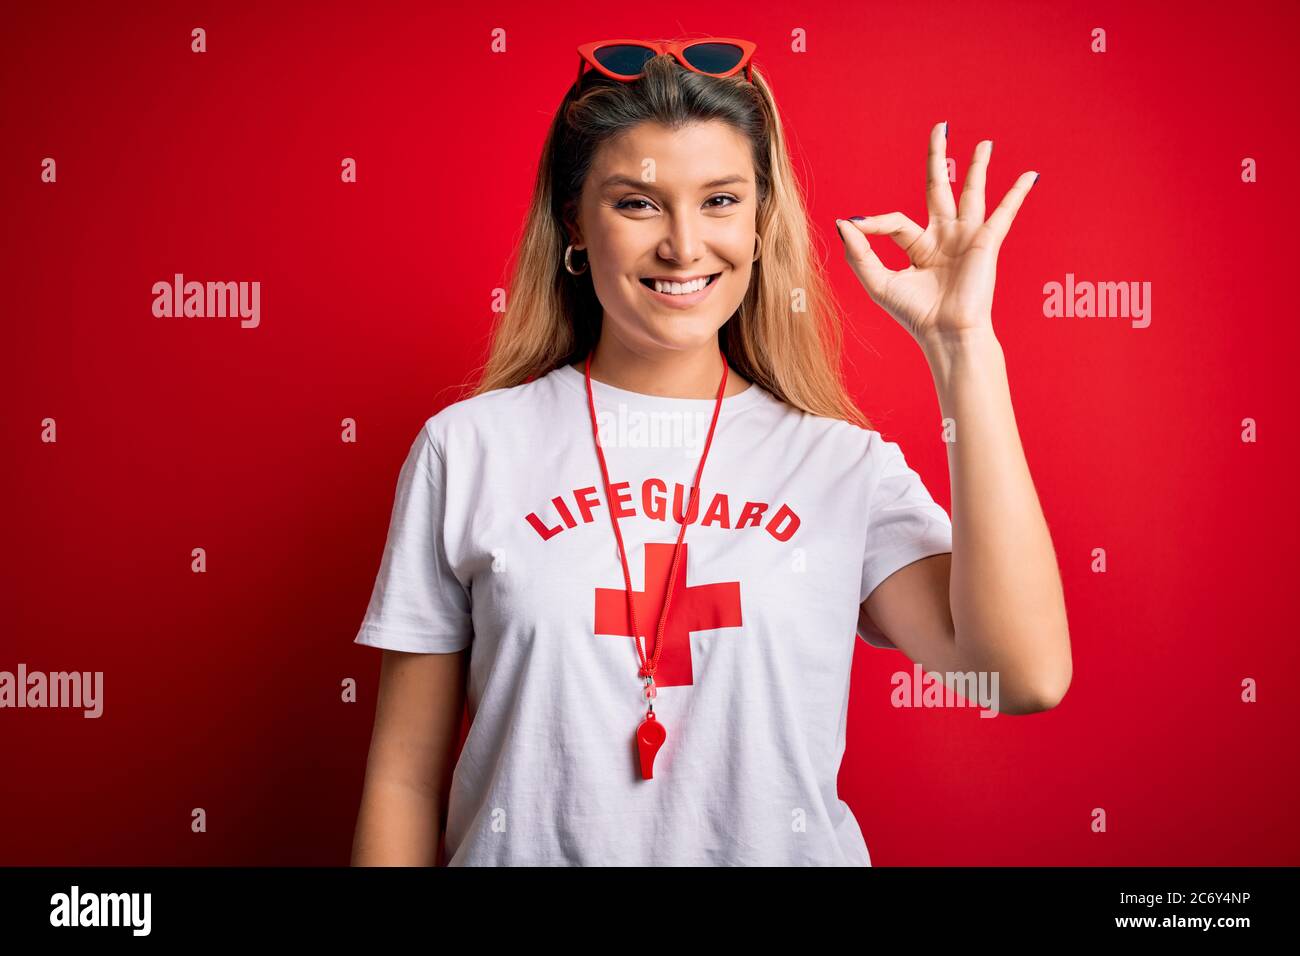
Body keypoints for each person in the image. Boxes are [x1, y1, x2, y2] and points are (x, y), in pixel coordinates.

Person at [349, 38, 1072, 866]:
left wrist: (963, 346)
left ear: (763, 226)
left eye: (721, 201)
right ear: (575, 227)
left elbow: (1023, 678)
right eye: (638, 204)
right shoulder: (467, 449)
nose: (686, 247)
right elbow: (403, 779)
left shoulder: (840, 467)